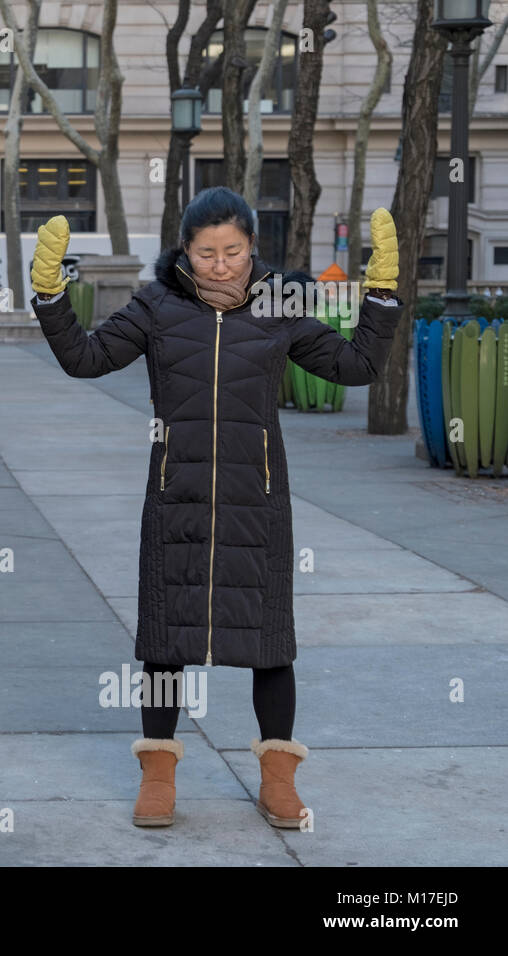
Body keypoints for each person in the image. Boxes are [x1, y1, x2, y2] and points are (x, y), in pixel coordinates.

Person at [28, 188, 401, 829]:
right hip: (178, 495)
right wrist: (51, 296)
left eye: (233, 251)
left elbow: (357, 364)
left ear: (252, 247)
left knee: (268, 641)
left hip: (256, 499)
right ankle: (159, 778)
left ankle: (279, 781)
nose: (222, 265)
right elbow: (84, 359)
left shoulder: (280, 307)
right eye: (207, 253)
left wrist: (383, 295)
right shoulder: (157, 306)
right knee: (166, 641)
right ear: (185, 250)